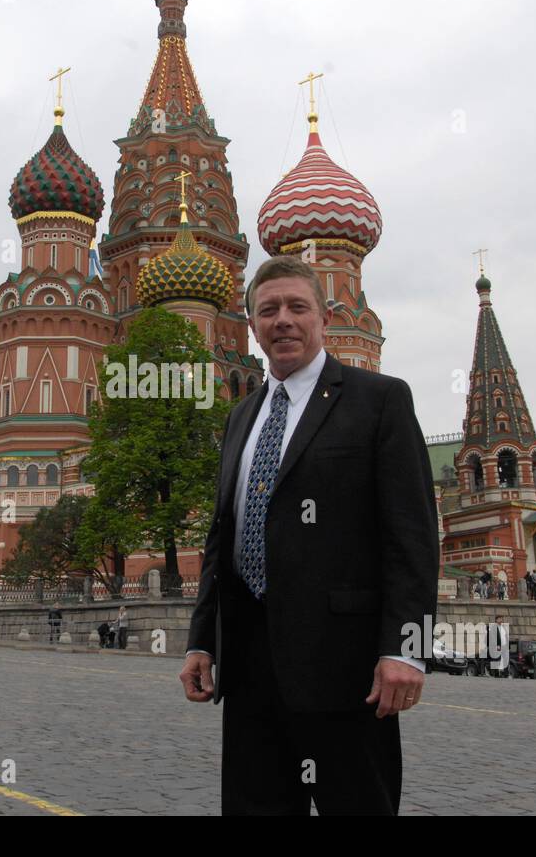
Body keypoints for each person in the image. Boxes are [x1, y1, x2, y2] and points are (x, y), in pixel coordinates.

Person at [180, 256, 439, 816]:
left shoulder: (379, 400)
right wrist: (203, 639)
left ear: (323, 318)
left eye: (298, 307)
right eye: (269, 310)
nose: (284, 321)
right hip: (249, 663)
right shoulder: (241, 416)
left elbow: (412, 538)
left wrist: (406, 650)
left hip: (345, 668)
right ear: (251, 325)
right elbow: (222, 534)